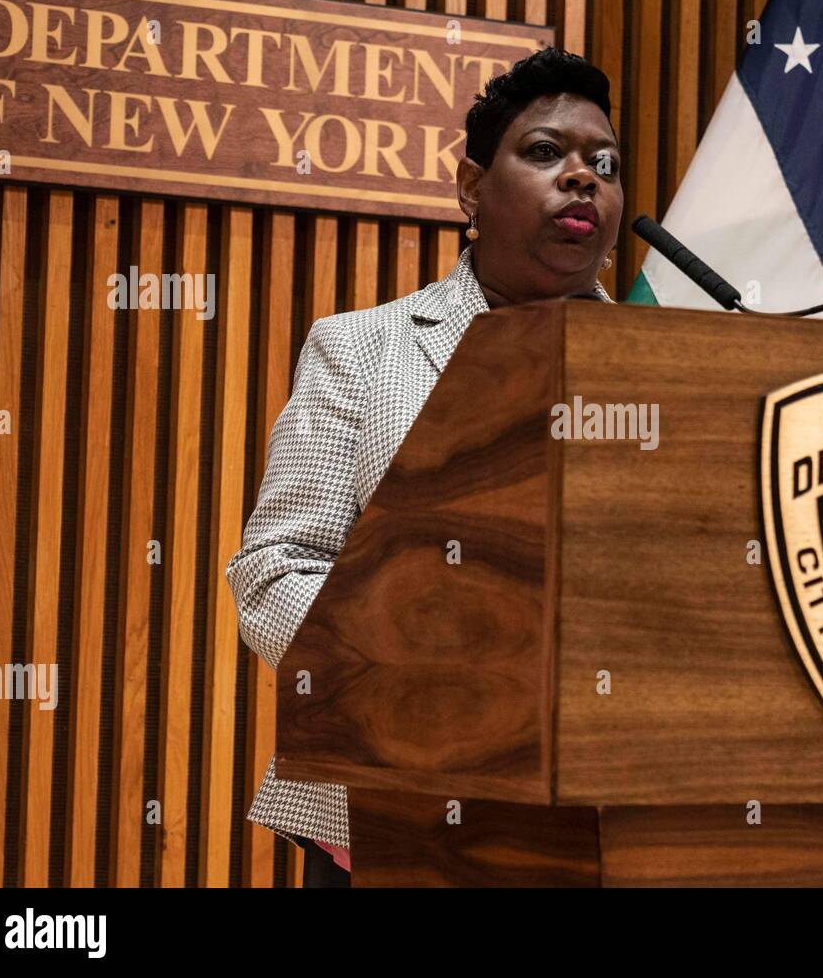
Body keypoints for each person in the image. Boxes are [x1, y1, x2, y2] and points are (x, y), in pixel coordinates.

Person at [225, 47, 623, 887]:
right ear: (471, 187)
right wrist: (432, 666)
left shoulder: (675, 368)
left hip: (621, 811)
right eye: (547, 153)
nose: (582, 177)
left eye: (605, 163)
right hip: (395, 808)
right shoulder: (363, 351)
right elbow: (273, 571)